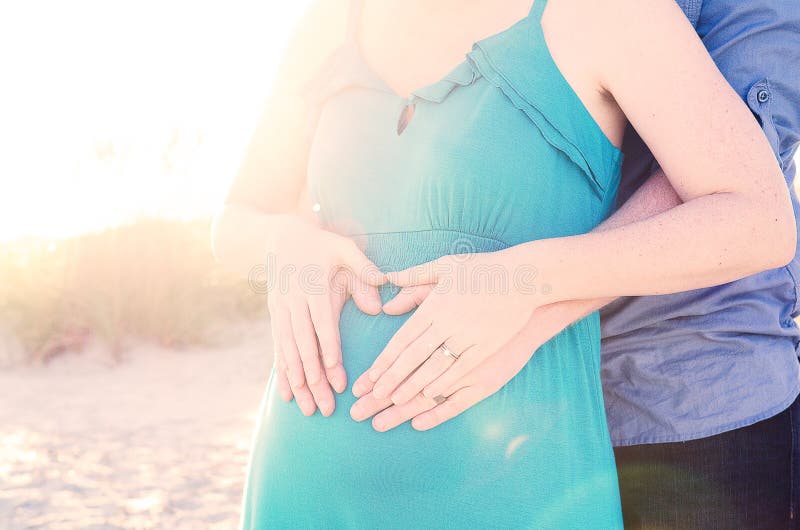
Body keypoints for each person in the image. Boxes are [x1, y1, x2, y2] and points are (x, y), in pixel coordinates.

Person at [212, 0, 795, 528]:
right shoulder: (329, 21)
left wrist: (521, 284)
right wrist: (285, 247)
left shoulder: (611, 14)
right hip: (302, 476)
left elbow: (758, 221)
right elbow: (236, 222)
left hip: (517, 483)